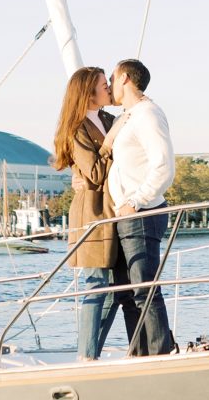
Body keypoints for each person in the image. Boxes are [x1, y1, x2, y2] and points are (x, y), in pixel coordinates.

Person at [105, 58, 177, 356]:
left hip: (141, 213)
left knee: (144, 287)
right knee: (127, 291)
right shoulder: (130, 117)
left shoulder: (148, 114)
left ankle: (160, 352)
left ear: (124, 78)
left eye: (111, 79)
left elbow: (164, 165)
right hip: (127, 213)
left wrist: (136, 201)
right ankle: (140, 350)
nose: (109, 86)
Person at [51, 66, 121, 360]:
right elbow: (92, 174)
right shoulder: (77, 128)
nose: (109, 88)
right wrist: (110, 141)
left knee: (118, 287)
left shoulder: (108, 118)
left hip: (114, 207)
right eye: (104, 85)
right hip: (92, 211)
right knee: (96, 284)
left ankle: (90, 352)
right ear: (88, 92)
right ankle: (86, 356)